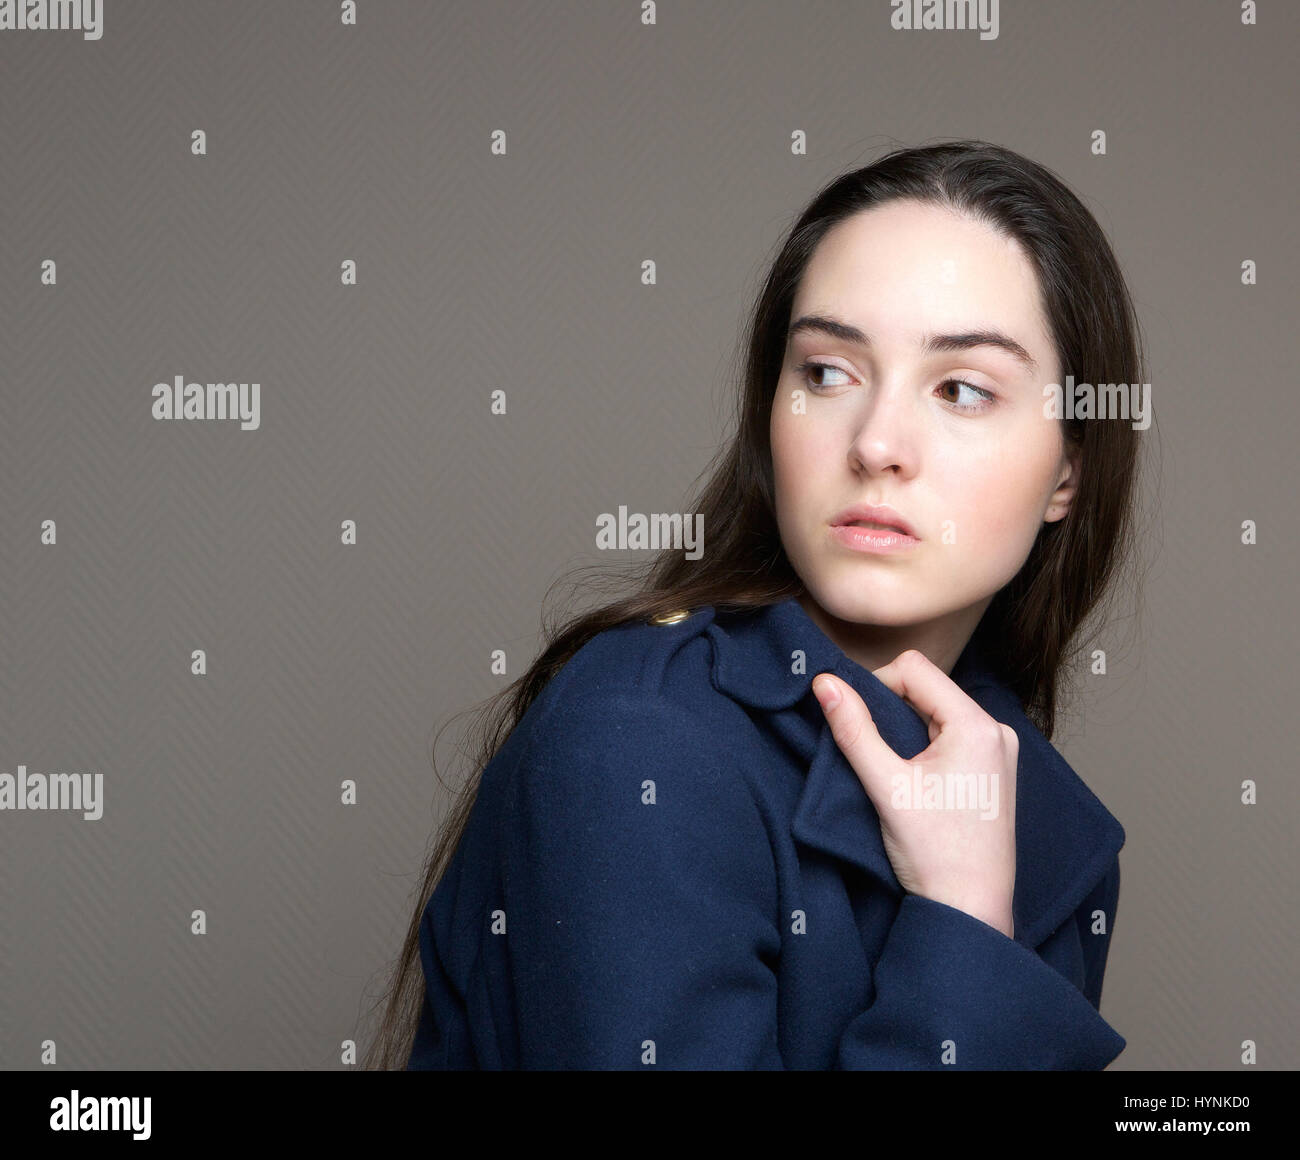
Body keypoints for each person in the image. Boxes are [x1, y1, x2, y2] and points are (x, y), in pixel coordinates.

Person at [363, 140, 1148, 1070]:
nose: (877, 443)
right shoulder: (640, 735)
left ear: (1068, 471)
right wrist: (964, 920)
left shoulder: (1023, 800)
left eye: (962, 390)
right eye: (827, 372)